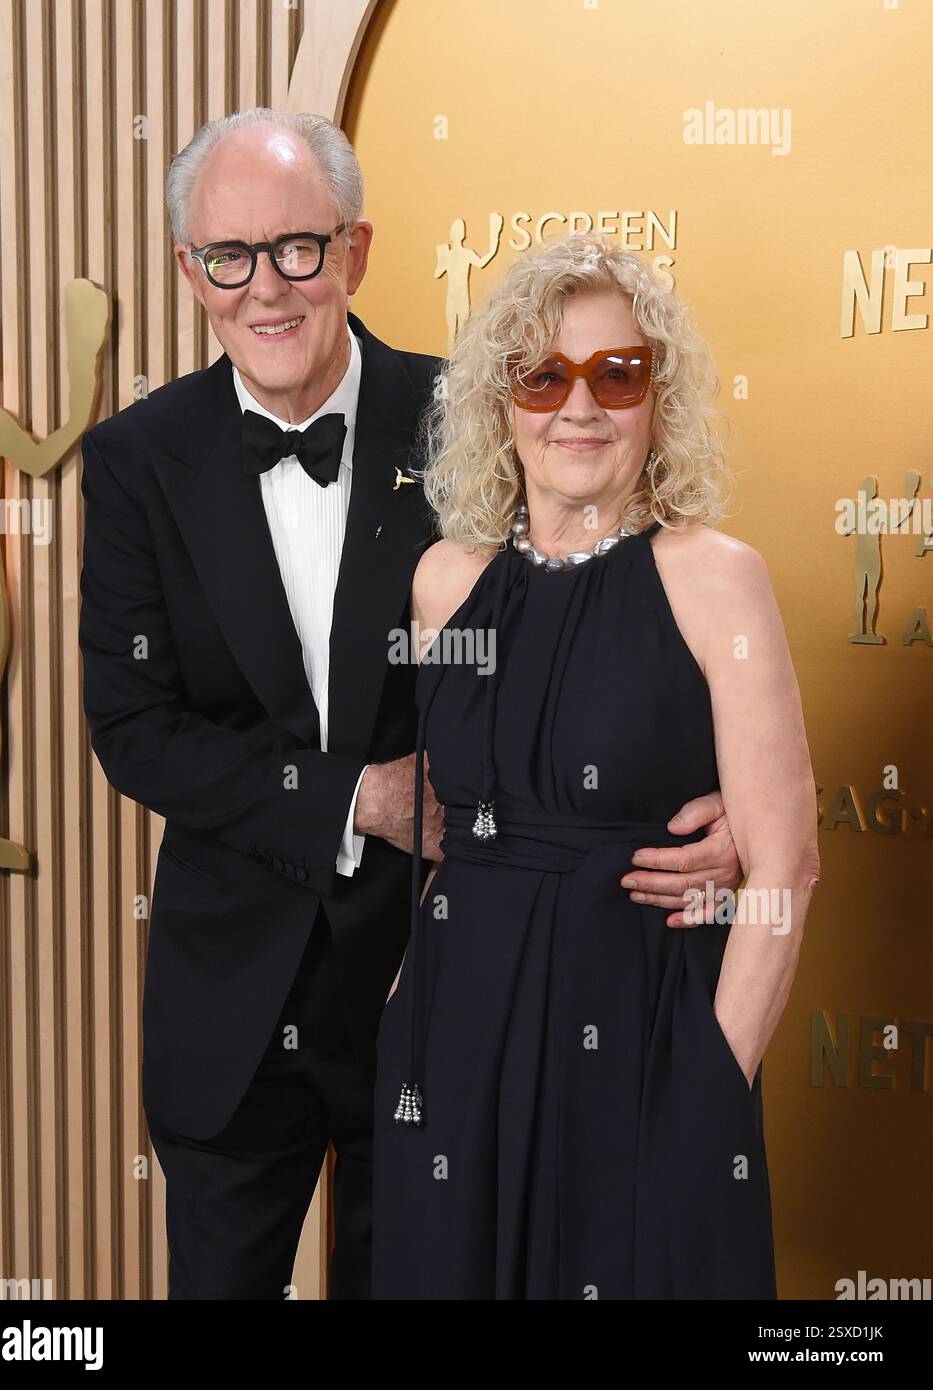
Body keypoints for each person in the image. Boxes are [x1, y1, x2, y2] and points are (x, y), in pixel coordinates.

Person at [79, 107, 743, 1300]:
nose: (265, 286)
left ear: (356, 249)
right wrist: (361, 798)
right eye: (228, 256)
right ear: (190, 270)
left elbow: (616, 619)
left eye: (298, 247)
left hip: (457, 995)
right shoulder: (136, 456)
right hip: (230, 1005)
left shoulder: (481, 415)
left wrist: (732, 811)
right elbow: (134, 729)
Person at [372, 233, 822, 1300]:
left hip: (646, 1041)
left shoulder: (715, 578)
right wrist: (403, 1016)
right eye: (543, 376)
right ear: (501, 402)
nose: (579, 408)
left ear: (657, 400)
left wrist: (710, 1082)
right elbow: (454, 830)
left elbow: (786, 866)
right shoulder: (444, 583)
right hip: (455, 1038)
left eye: (617, 374)